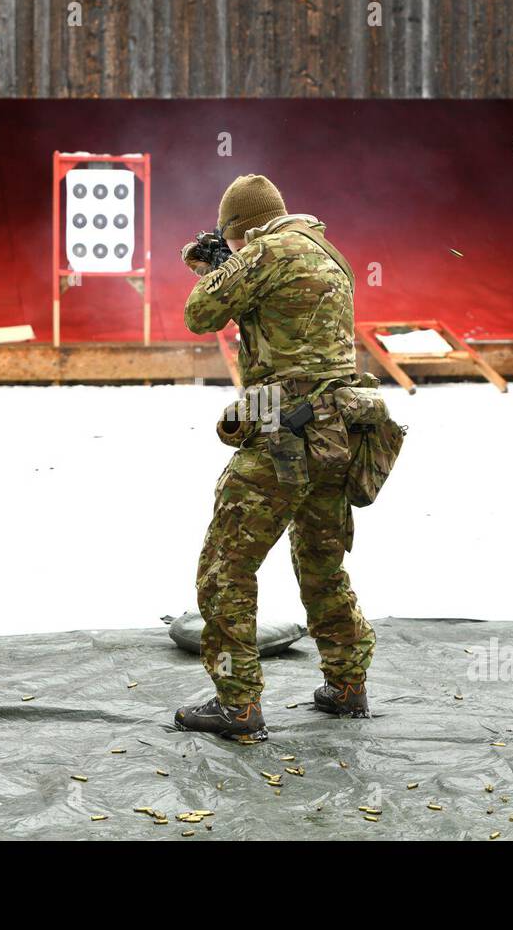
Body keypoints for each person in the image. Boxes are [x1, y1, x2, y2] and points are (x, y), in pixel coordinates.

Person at [173, 174, 378, 741]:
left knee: (225, 569)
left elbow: (200, 314)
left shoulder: (262, 251)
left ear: (240, 229)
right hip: (337, 433)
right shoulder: (325, 249)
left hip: (283, 434)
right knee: (321, 563)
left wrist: (219, 265)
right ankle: (347, 682)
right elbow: (284, 315)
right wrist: (229, 262)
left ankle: (238, 704)